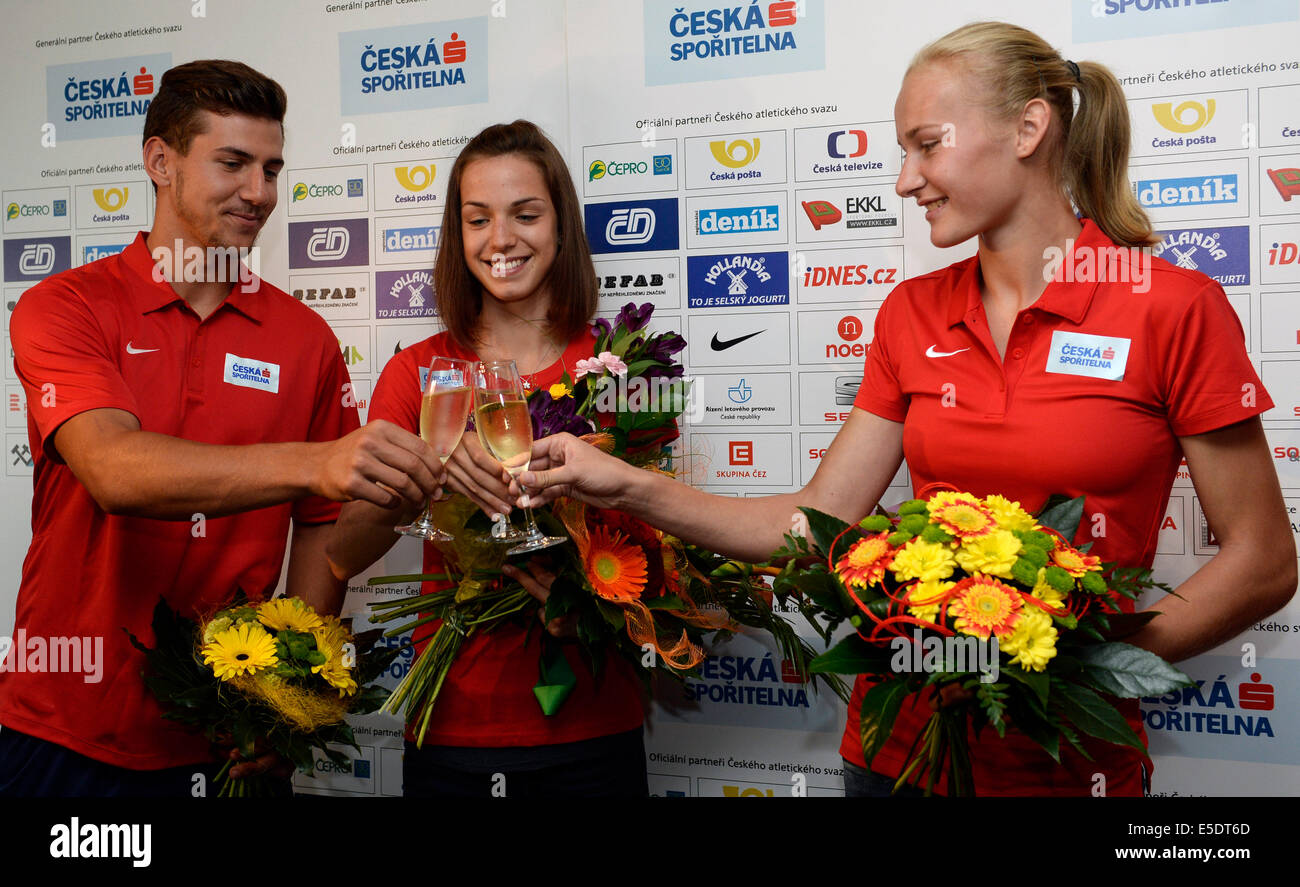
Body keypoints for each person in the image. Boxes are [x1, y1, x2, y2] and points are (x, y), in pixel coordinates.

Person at [513, 22, 1297, 796]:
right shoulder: (911, 314)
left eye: (928, 144)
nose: (905, 178)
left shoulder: (1171, 307)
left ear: (1029, 128)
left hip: (1069, 768)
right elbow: (813, 522)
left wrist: (1088, 656)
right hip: (896, 760)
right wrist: (621, 482)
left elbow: (1264, 559)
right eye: (901, 151)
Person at [0, 60, 441, 797]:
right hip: (64, 725)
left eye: (271, 168)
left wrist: (282, 703)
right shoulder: (64, 306)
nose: (259, 192)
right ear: (160, 161)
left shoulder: (306, 339)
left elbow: (322, 534)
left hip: (229, 740)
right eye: (232, 163)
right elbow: (114, 469)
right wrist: (315, 461)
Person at [326, 120, 666, 797]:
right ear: (458, 235)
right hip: (453, 731)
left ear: (562, 225)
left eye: (525, 214)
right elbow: (344, 550)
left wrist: (590, 603)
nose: (500, 239)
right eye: (477, 218)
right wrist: (428, 473)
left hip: (594, 725)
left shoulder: (621, 366)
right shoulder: (415, 373)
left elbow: (662, 562)